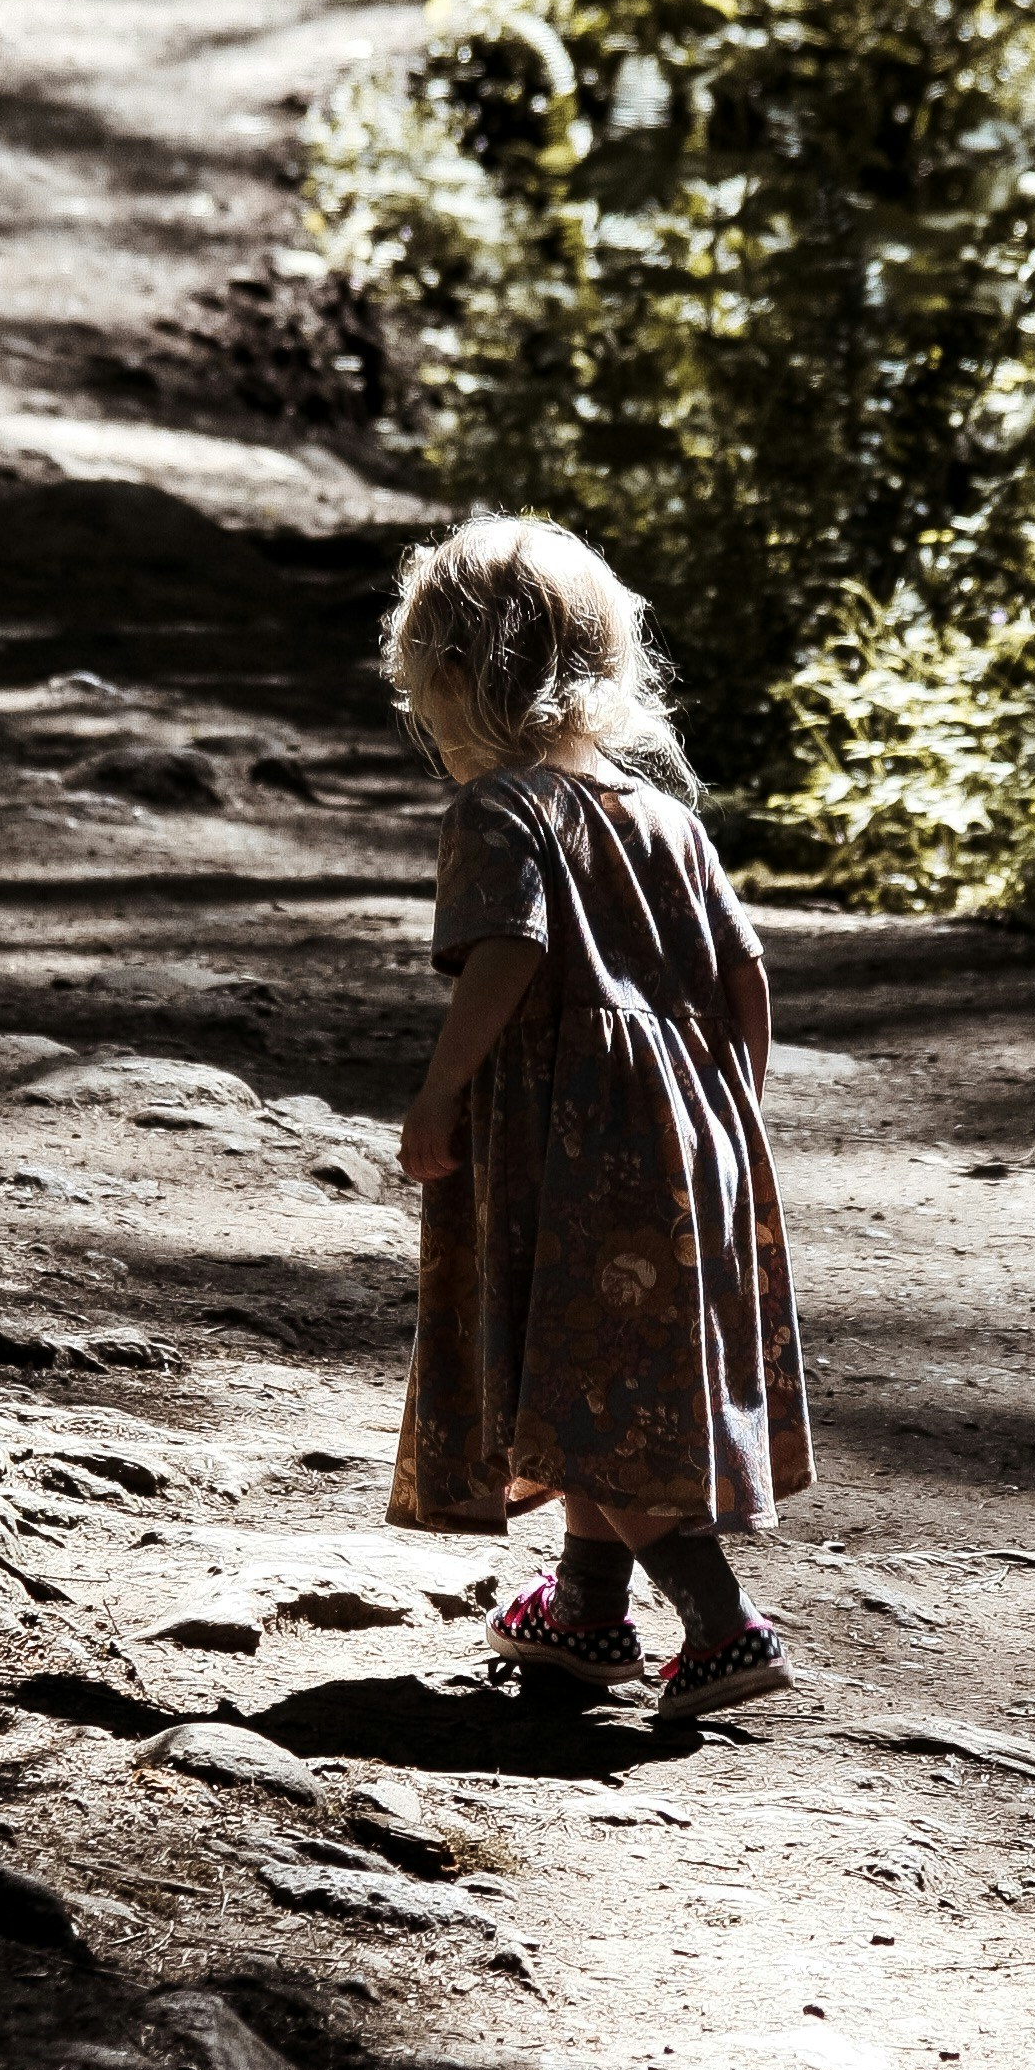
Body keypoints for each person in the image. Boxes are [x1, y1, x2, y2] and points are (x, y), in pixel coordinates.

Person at [381, 511, 811, 1718]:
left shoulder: (501, 813)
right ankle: (583, 1609)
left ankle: (722, 1624)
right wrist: (725, 1122)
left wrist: (438, 1093)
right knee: (595, 1377)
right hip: (689, 1129)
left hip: (564, 1144)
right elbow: (745, 978)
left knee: (572, 1374)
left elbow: (506, 956)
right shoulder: (663, 816)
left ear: (453, 678)